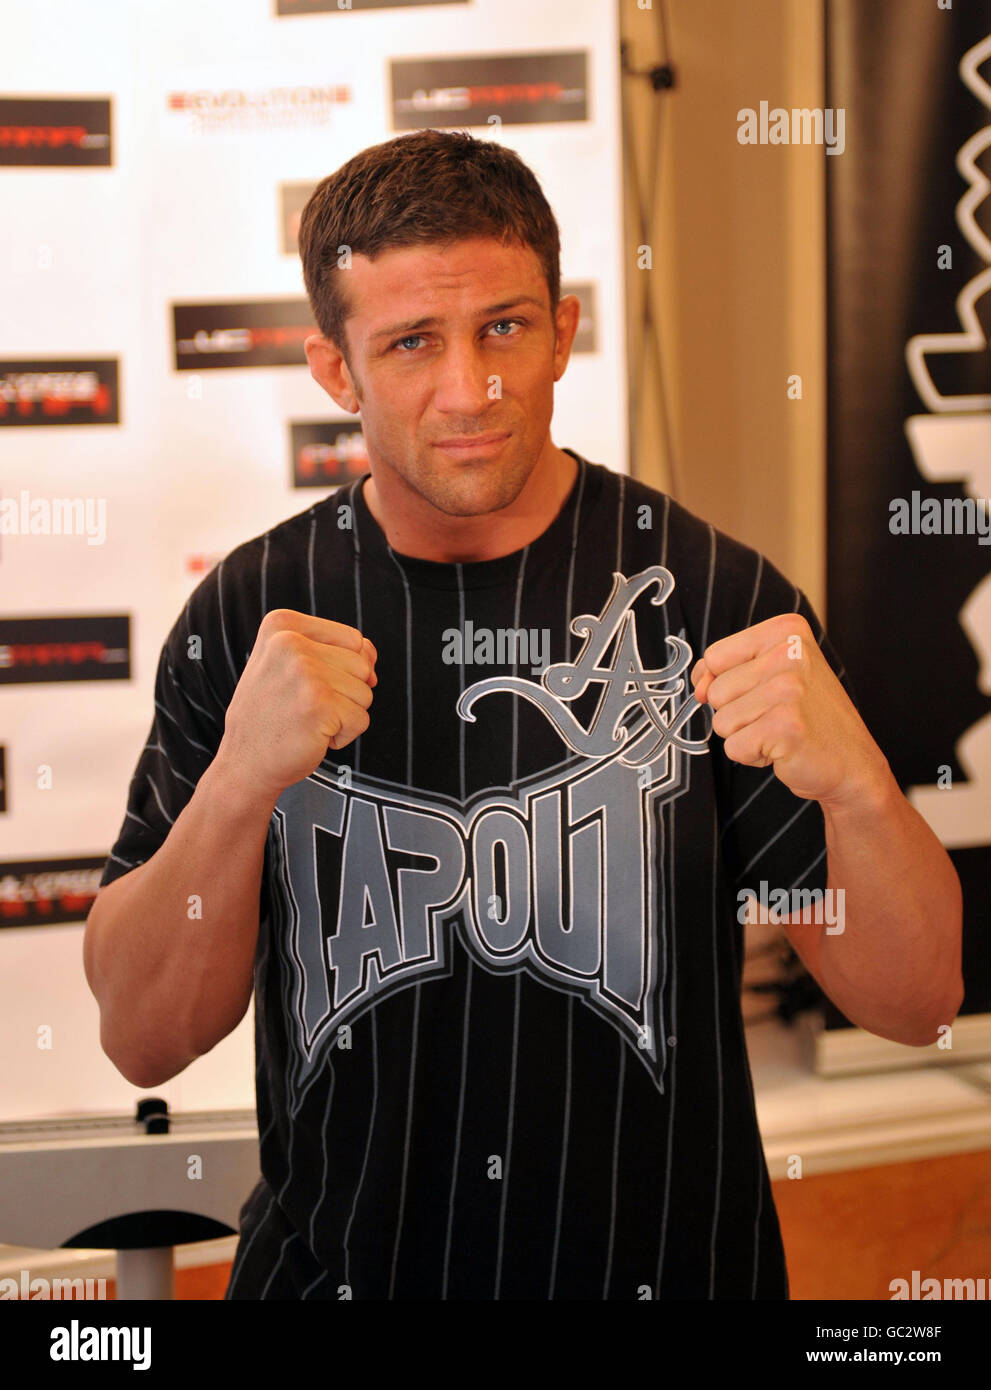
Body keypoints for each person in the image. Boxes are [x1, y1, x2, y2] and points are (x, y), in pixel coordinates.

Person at [83, 128, 963, 1301]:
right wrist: (242, 782)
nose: (470, 388)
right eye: (409, 344)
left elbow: (915, 1003)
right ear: (334, 371)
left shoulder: (711, 598)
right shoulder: (253, 610)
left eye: (503, 327)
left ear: (564, 329)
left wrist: (857, 784)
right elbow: (144, 1036)